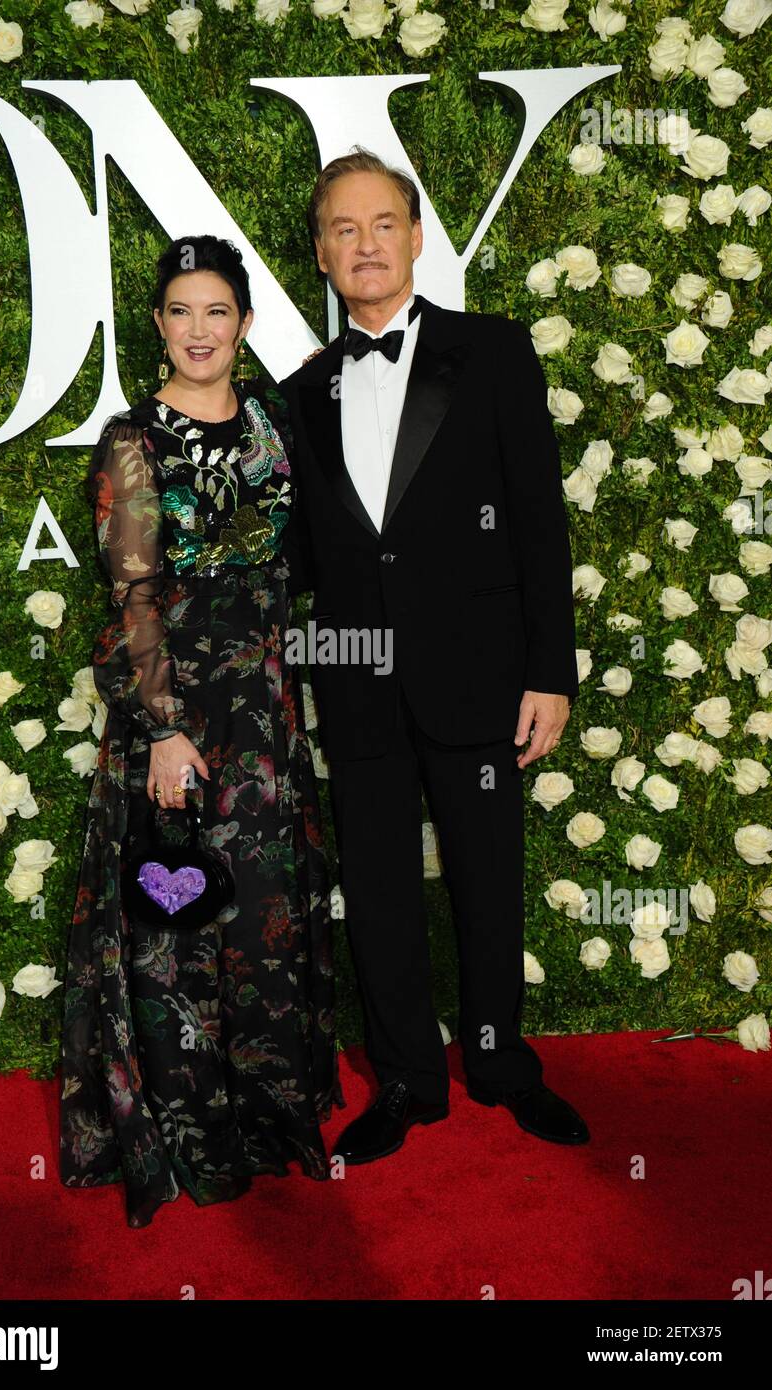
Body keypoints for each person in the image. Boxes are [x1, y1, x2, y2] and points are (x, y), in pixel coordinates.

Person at [278, 147, 590, 1165]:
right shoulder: (300, 391)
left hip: (482, 676)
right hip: (357, 683)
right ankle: (407, 1080)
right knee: (374, 888)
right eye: (341, 229)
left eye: (381, 224)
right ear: (321, 254)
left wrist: (551, 671)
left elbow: (539, 522)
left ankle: (500, 1063)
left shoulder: (492, 352)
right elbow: (299, 559)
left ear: (414, 238)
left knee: (488, 877)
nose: (363, 244)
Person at [59, 234, 343, 1228]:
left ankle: (267, 1119)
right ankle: (186, 1130)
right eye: (179, 312)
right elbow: (131, 592)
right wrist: (165, 731)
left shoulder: (275, 422)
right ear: (157, 326)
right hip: (175, 715)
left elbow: (302, 560)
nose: (197, 331)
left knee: (261, 913)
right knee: (176, 930)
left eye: (215, 311)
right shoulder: (134, 441)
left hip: (266, 713)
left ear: (244, 323)